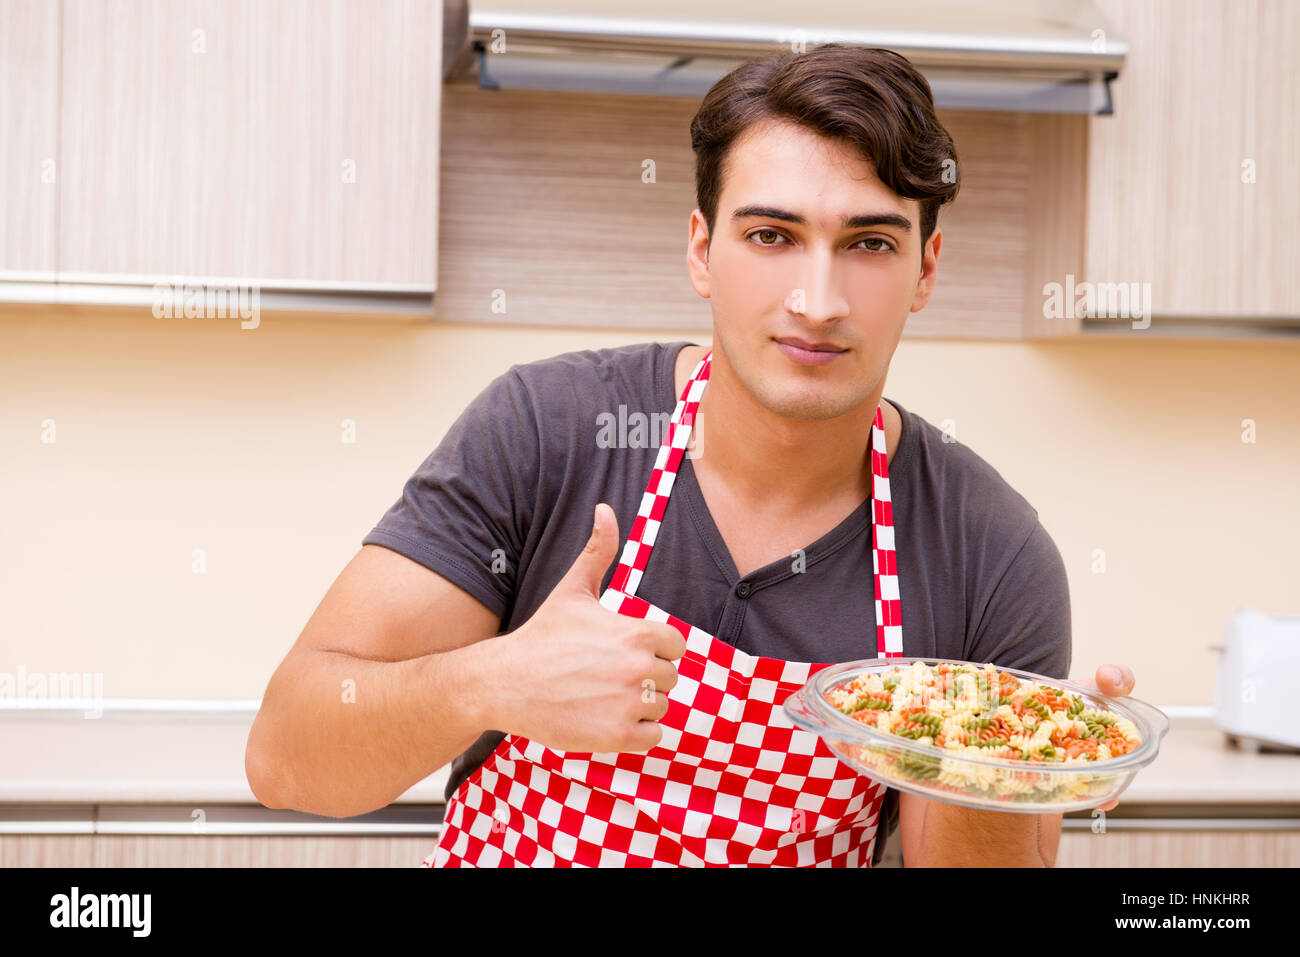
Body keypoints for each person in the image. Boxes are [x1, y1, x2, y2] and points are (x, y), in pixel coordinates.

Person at [245, 43, 1138, 867]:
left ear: (927, 270)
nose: (818, 300)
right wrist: (492, 682)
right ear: (703, 251)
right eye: (771, 235)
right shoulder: (547, 431)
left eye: (869, 243)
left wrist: (1006, 756)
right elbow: (287, 759)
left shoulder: (989, 553)